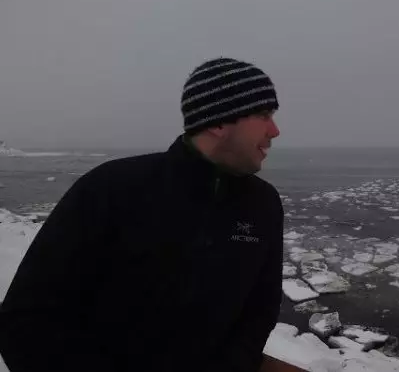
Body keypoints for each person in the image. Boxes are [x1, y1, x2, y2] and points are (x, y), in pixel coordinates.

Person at [0, 57, 284, 372]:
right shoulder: (111, 189)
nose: (275, 131)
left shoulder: (264, 204)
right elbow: (25, 321)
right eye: (263, 115)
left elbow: (261, 310)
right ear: (218, 121)